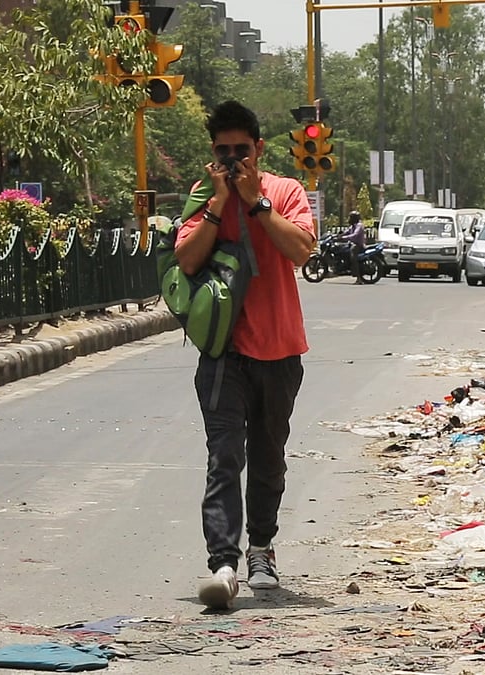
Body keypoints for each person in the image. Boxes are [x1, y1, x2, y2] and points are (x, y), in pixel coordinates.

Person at [175, 100, 316, 610]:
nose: (232, 160)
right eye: (222, 151)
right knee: (224, 456)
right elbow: (188, 260)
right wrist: (217, 203)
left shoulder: (284, 191)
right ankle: (223, 562)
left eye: (241, 150)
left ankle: (261, 548)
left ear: (258, 149)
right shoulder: (200, 197)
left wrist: (256, 202)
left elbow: (300, 251)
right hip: (223, 353)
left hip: (279, 349)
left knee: (269, 458)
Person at [337, 210, 366, 284]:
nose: (349, 219)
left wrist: (344, 238)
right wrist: (337, 236)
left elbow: (355, 235)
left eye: (351, 217)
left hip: (358, 245)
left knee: (353, 257)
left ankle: (358, 278)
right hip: (352, 244)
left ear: (355, 218)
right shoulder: (352, 226)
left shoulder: (359, 226)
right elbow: (346, 232)